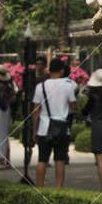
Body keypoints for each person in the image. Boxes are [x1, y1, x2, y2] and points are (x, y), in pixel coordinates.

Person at [32, 56, 78, 187]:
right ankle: (58, 189)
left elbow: (35, 111)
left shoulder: (40, 87)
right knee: (60, 160)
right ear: (62, 71)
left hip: (44, 128)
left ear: (49, 70)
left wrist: (34, 130)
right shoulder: (68, 85)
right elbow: (73, 106)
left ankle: (39, 188)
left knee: (42, 160)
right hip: (62, 127)